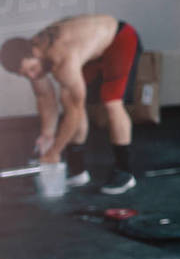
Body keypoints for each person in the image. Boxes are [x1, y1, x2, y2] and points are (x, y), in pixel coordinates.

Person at [1, 14, 142, 195]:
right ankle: (78, 172)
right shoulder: (32, 58)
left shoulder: (63, 59)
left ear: (35, 53)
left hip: (118, 38)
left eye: (32, 70)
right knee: (68, 101)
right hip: (89, 50)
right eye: (25, 74)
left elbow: (74, 111)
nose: (32, 76)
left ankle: (125, 172)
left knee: (111, 100)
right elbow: (45, 97)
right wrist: (47, 135)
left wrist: (54, 151)